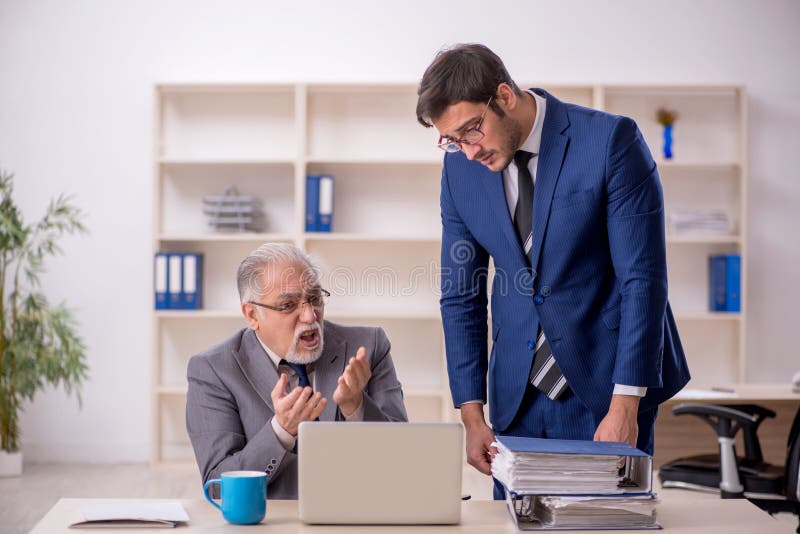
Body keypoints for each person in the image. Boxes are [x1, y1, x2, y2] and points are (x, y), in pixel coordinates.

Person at [416, 44, 691, 497]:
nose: (468, 150)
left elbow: (642, 280)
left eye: (471, 131)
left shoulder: (609, 142)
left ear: (503, 96)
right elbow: (460, 295)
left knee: (603, 526)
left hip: (605, 391)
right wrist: (471, 414)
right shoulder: (459, 173)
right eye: (452, 139)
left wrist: (625, 404)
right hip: (516, 398)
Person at [186, 243, 408, 499]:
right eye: (288, 305)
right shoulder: (213, 370)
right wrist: (281, 431)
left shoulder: (369, 346)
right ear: (252, 314)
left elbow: (400, 460)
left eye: (314, 298)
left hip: (360, 512)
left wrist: (357, 407)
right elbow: (217, 486)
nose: (309, 316)